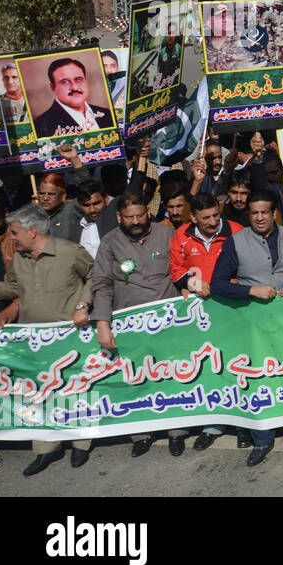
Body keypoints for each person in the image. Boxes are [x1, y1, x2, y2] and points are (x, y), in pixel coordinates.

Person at [208, 191, 283, 465]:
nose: (259, 218)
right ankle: (262, 438)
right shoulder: (236, 241)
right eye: (254, 213)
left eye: (264, 212)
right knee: (259, 381)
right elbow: (217, 283)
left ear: (274, 213)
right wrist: (250, 290)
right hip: (252, 323)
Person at [0, 205, 94, 475]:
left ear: (32, 231)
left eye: (14, 232)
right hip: (33, 341)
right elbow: (14, 287)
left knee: (74, 390)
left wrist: (84, 303)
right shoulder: (19, 258)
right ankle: (45, 449)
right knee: (38, 393)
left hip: (69, 338)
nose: (11, 238)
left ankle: (80, 443)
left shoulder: (69, 251)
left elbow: (95, 276)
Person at [92, 192, 186, 457]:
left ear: (148, 212)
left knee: (171, 375)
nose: (135, 221)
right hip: (129, 325)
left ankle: (176, 430)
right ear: (120, 217)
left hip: (169, 322)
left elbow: (181, 271)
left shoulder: (168, 235)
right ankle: (141, 433)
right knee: (135, 378)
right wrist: (102, 322)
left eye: (140, 215)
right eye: (129, 217)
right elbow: (101, 284)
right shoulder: (109, 242)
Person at [33, 57, 113, 138]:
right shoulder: (40, 127)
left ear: (86, 81)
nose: (74, 87)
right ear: (53, 87)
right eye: (65, 82)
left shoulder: (107, 114)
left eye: (78, 79)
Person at [203, 2, 263, 72]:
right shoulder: (205, 46)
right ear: (209, 22)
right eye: (220, 15)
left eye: (229, 15)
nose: (226, 18)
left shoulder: (242, 44)